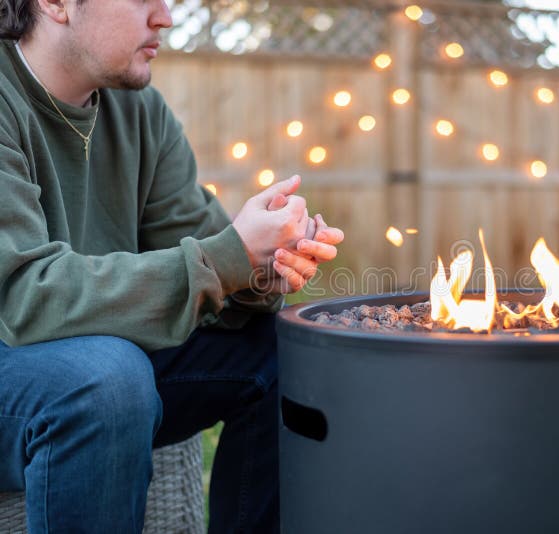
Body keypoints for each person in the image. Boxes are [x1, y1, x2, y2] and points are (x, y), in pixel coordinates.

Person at [0, 0, 344, 532]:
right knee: (106, 378)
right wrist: (227, 256)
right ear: (55, 4)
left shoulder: (139, 112)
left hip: (98, 354)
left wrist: (264, 265)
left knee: (289, 346)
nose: (165, 16)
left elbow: (209, 249)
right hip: (18, 369)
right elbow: (25, 298)